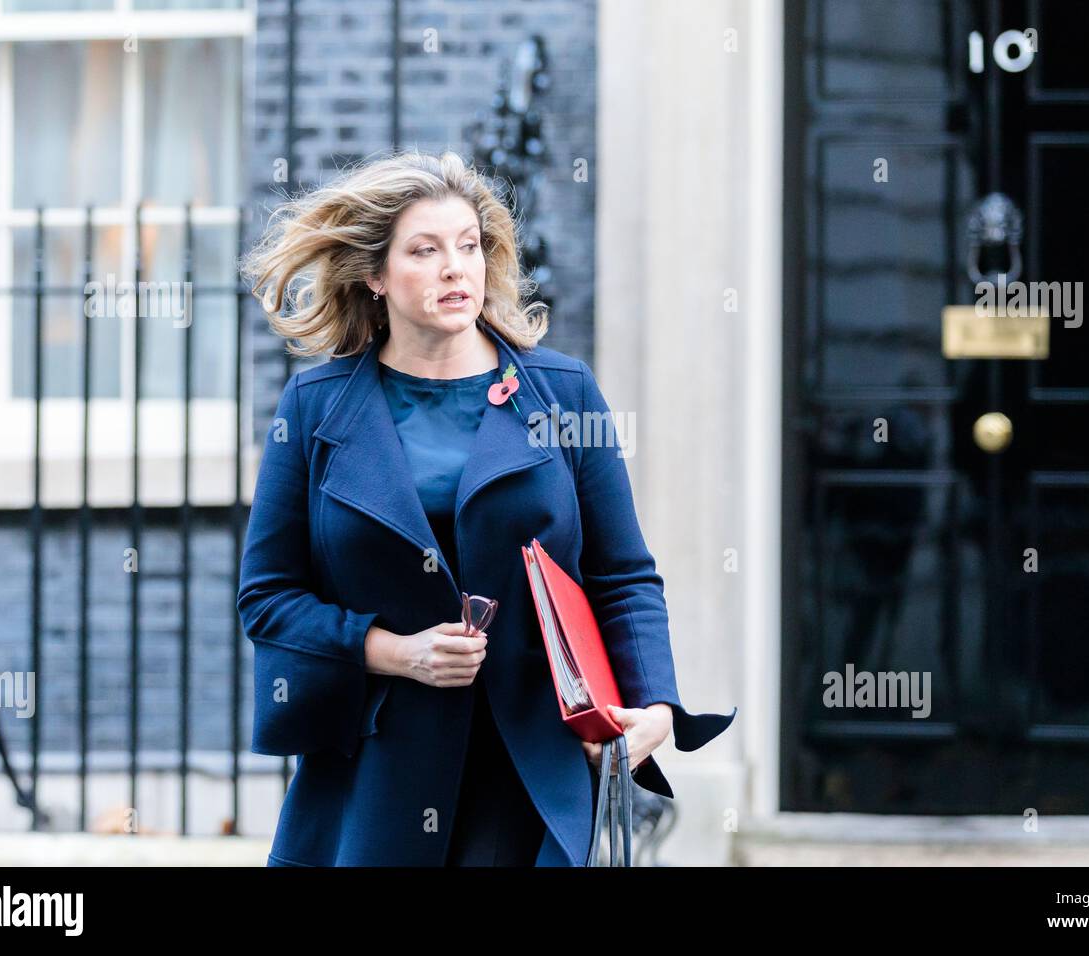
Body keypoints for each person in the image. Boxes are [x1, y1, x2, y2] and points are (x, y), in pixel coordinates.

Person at [236, 148, 735, 866]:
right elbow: (269, 599)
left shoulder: (562, 393)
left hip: (530, 765)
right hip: (374, 771)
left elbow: (622, 575)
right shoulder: (314, 408)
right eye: (425, 250)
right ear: (374, 276)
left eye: (468, 247)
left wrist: (654, 706)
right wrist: (398, 653)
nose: (454, 268)